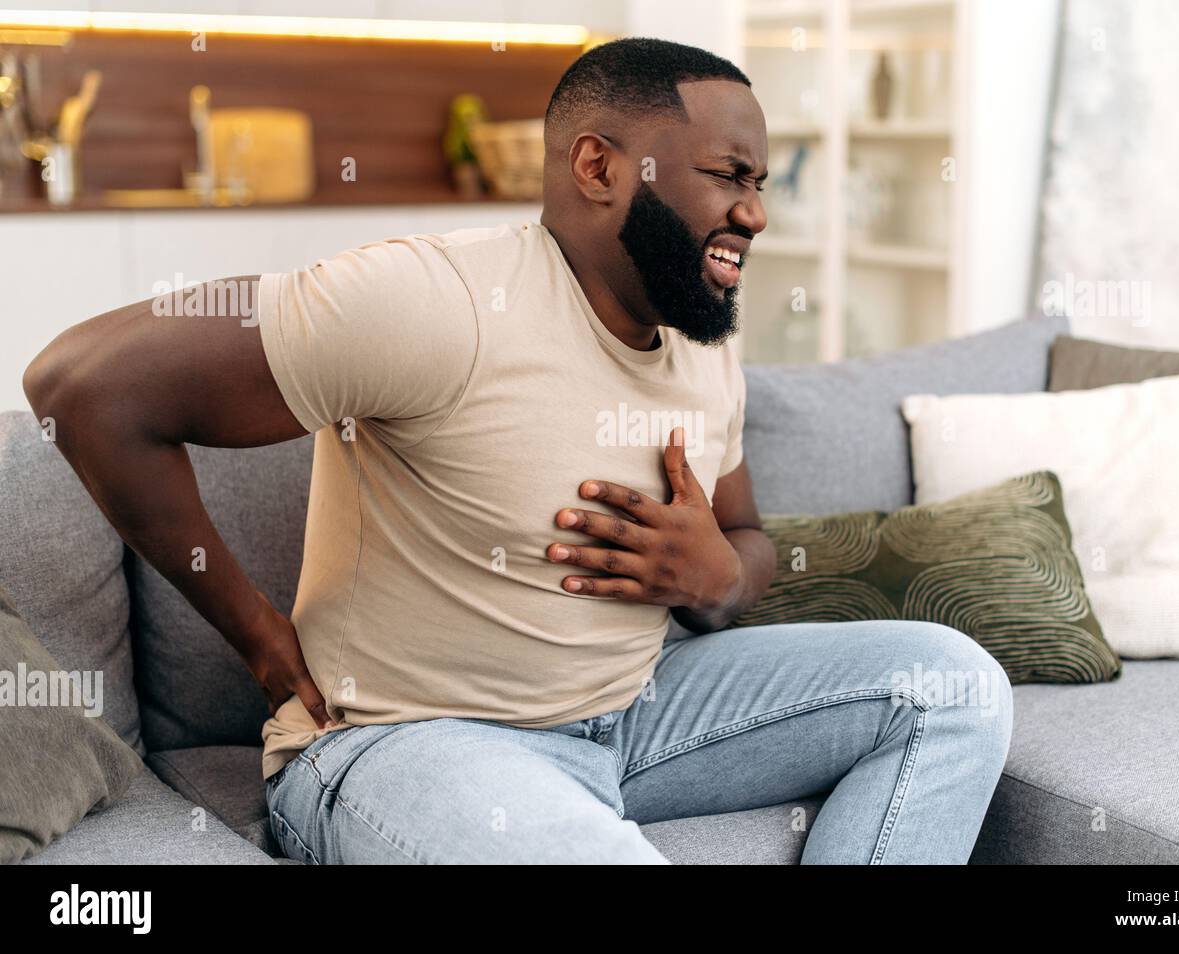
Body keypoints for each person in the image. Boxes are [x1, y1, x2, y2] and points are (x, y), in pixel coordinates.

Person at [23, 37, 1012, 864]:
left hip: (634, 716)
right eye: (725, 176)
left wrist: (715, 574)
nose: (754, 212)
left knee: (954, 685)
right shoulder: (435, 300)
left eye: (756, 183)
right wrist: (253, 632)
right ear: (597, 167)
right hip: (407, 739)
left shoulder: (703, 343)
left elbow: (743, 541)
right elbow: (84, 386)